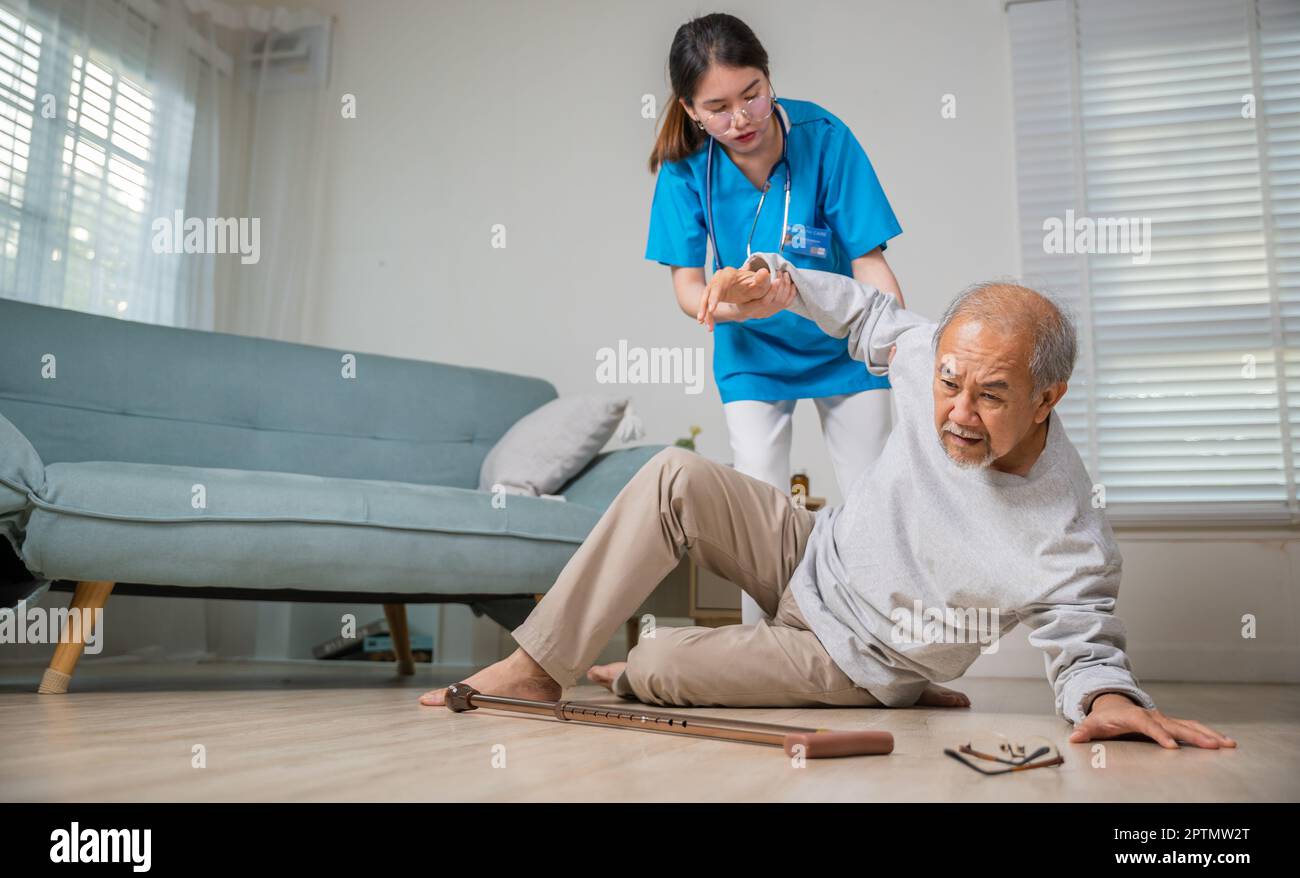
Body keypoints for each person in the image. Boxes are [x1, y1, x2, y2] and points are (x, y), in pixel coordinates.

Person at [420, 256, 1236, 750]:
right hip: (812, 552)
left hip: (863, 661)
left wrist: (1111, 702)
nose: (956, 410)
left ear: (1047, 397)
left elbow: (1086, 647)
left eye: (990, 396)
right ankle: (536, 669)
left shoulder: (1068, 533)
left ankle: (641, 672)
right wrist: (782, 283)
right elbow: (866, 315)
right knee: (675, 475)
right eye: (950, 383)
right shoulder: (933, 355)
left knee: (658, 661)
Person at [645, 13, 904, 625]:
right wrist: (729, 303)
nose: (741, 120)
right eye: (718, 107)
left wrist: (896, 339)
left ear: (769, 79)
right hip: (751, 349)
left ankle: (883, 645)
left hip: (839, 342)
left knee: (872, 498)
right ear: (690, 110)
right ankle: (763, 644)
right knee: (757, 507)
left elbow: (868, 261)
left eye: (752, 95)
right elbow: (688, 286)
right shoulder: (686, 167)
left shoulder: (823, 136)